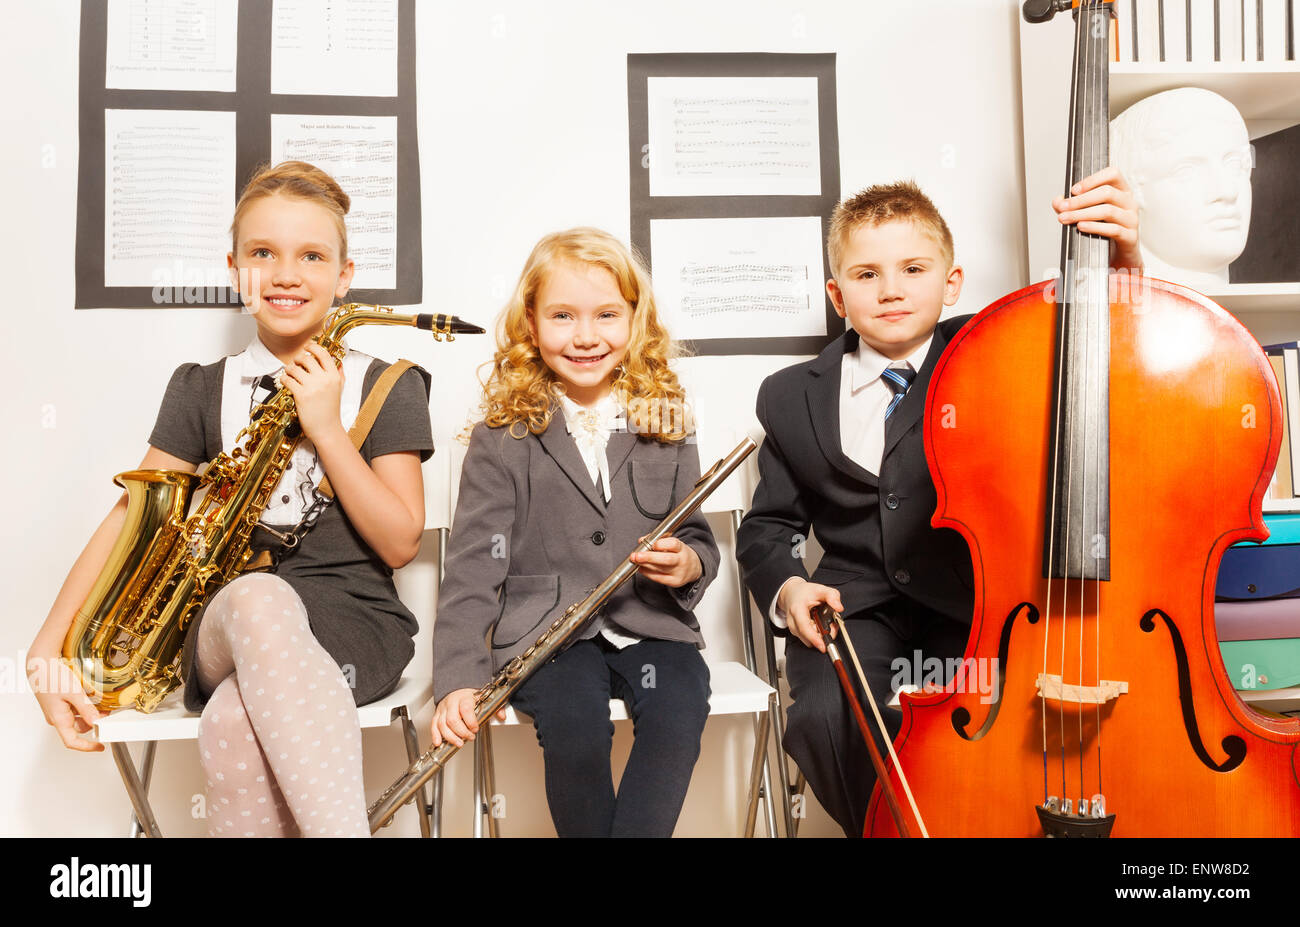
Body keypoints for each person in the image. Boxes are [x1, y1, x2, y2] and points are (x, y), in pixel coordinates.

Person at [28, 160, 433, 837]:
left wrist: (327, 426)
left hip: (354, 626)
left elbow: (399, 540)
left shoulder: (389, 385)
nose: (285, 273)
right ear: (235, 268)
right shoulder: (198, 387)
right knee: (255, 597)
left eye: (311, 255)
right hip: (225, 622)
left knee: (234, 719)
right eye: (263, 253)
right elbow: (134, 516)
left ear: (345, 276)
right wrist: (49, 648)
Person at [735, 169, 1141, 837]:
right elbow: (769, 526)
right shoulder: (789, 394)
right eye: (865, 275)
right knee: (823, 716)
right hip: (854, 608)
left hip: (979, 607)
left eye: (913, 268)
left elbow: (1103, 343)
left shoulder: (999, 347)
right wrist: (787, 586)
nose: (890, 288)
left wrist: (1122, 258)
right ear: (837, 295)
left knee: (998, 729)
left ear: (950, 283)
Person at [430, 227, 719, 837]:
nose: (586, 336)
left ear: (635, 321)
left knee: (679, 711)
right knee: (575, 727)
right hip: (548, 640)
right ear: (531, 325)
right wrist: (459, 676)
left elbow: (697, 539)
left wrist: (686, 565)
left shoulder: (667, 420)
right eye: (562, 315)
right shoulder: (501, 436)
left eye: (607, 315)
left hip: (650, 629)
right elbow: (474, 566)